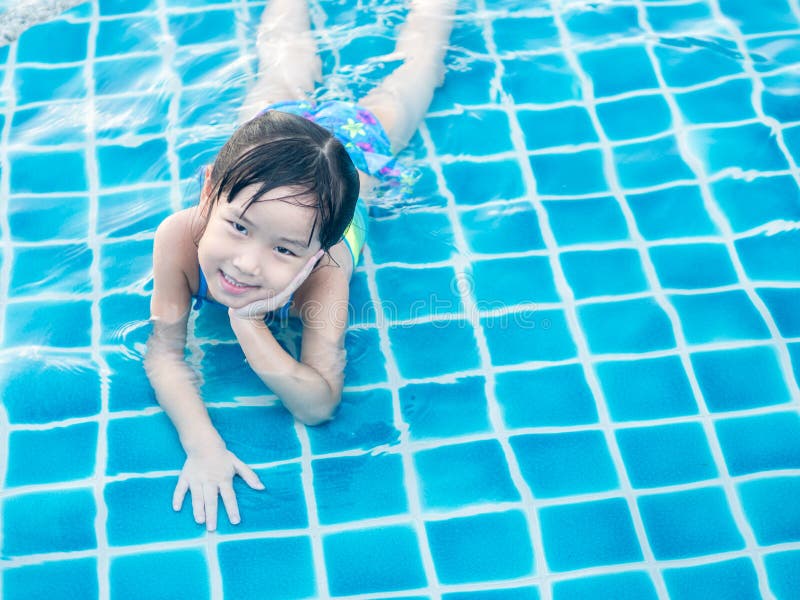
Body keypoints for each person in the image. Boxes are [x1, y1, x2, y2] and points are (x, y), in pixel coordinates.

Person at [144, 0, 456, 532]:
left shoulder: (326, 272)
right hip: (273, 137)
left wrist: (248, 323)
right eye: (237, 226)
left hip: (358, 145)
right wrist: (204, 447)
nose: (245, 264)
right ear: (208, 190)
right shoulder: (180, 234)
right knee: (282, 55)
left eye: (285, 250)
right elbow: (164, 354)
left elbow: (318, 405)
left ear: (315, 253)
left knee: (417, 72)